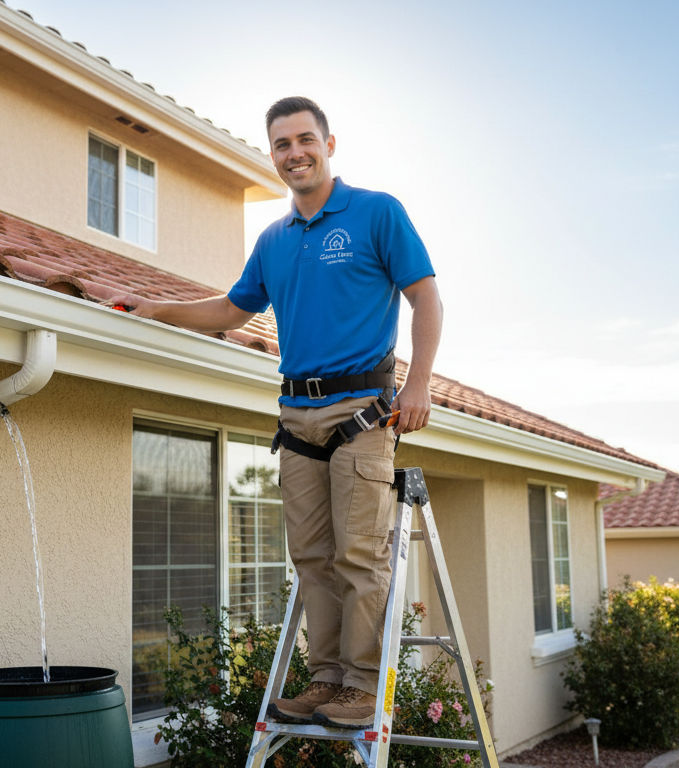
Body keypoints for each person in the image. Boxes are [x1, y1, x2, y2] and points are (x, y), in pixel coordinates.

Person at [109, 96, 442, 730]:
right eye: (282, 144)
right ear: (272, 156)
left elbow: (426, 298)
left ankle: (362, 687)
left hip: (362, 412)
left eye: (305, 139)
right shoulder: (273, 240)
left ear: (329, 144)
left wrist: (418, 383)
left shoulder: (377, 212)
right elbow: (232, 309)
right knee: (312, 559)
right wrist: (158, 309)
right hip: (296, 420)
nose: (295, 153)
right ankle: (326, 680)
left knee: (359, 556)